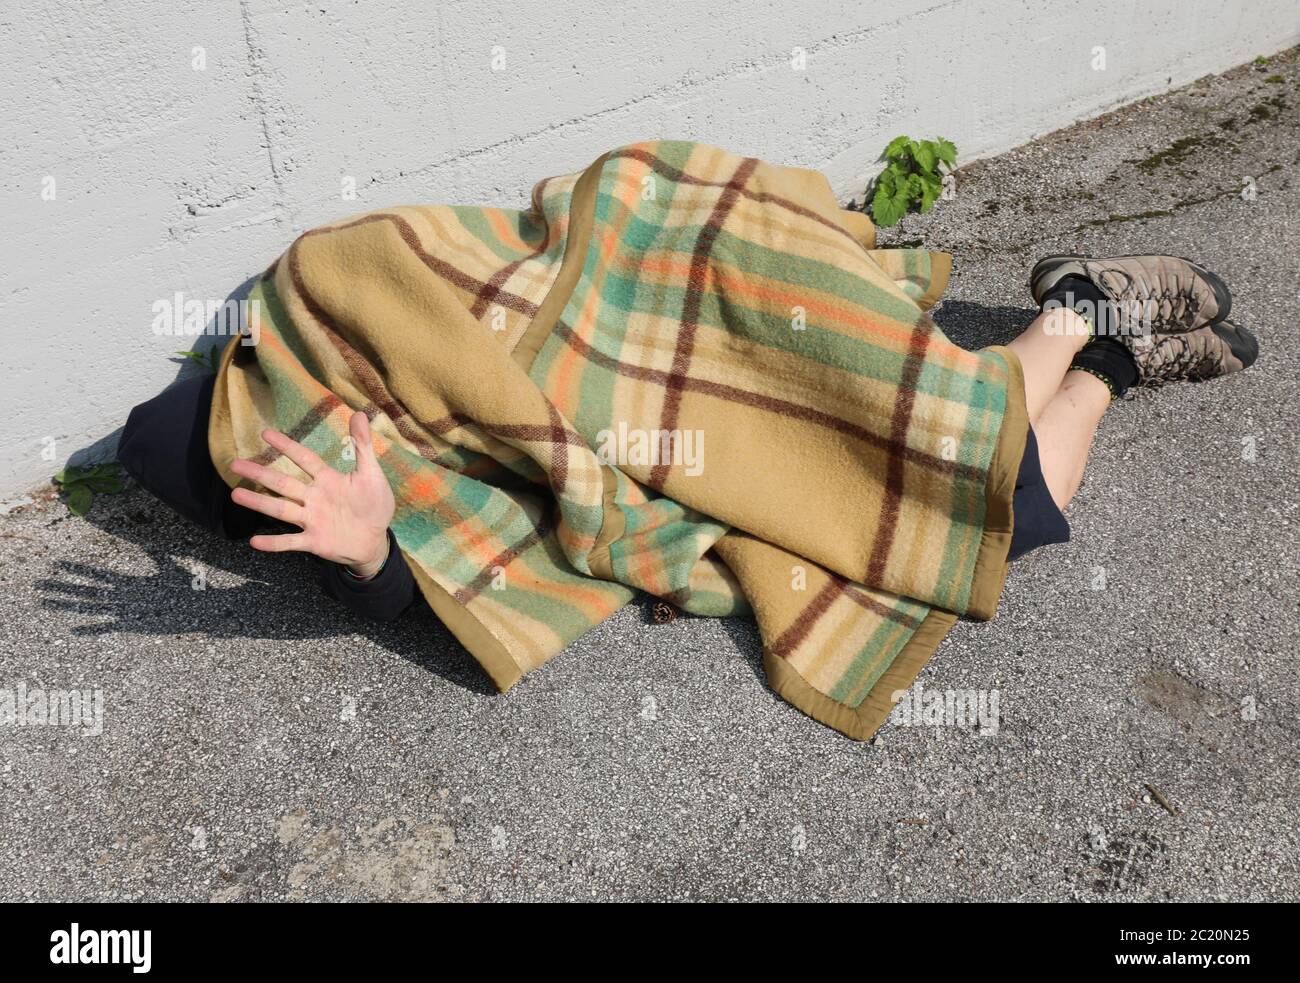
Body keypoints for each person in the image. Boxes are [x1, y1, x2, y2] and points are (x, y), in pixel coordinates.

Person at [117, 251, 1256, 627]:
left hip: (679, 331)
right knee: (988, 520)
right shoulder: (376, 494)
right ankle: (1100, 343)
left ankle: (1079, 311)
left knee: (932, 419)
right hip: (673, 450)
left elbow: (506, 267)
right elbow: (470, 573)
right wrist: (364, 555)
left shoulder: (338, 289)